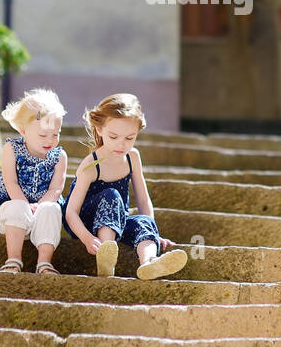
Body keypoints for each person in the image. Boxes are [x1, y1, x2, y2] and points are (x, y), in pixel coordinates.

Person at [63, 93, 188, 279]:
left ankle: (149, 262)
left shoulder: (133, 157)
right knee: (112, 195)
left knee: (143, 222)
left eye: (130, 138)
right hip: (85, 224)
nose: (121, 144)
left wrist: (153, 231)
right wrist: (87, 239)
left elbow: (143, 200)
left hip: (117, 222)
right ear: (99, 129)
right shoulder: (91, 165)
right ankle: (106, 254)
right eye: (113, 136)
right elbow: (70, 212)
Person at [0, 88, 67, 275]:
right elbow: (11, 182)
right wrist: (26, 205)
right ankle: (14, 259)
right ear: (23, 131)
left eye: (55, 134)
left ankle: (44, 262)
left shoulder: (59, 156)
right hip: (15, 203)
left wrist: (39, 206)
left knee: (52, 208)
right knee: (17, 207)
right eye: (43, 135)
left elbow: (56, 188)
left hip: (44, 206)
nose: (50, 140)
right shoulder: (12, 148)